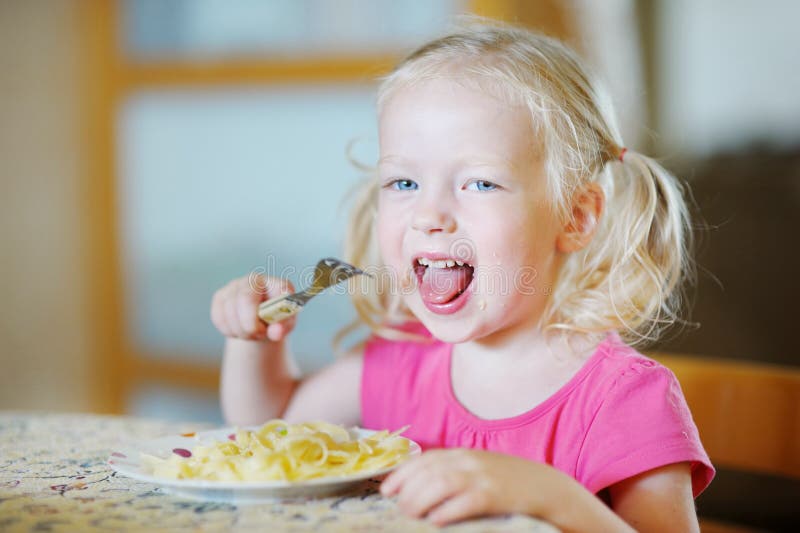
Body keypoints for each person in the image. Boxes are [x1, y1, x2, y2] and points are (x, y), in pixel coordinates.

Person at [210, 19, 714, 531]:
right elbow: (266, 434)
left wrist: (550, 496)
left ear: (575, 216)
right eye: (404, 181)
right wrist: (254, 341)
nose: (430, 214)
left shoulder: (623, 401)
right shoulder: (400, 362)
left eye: (479, 183)